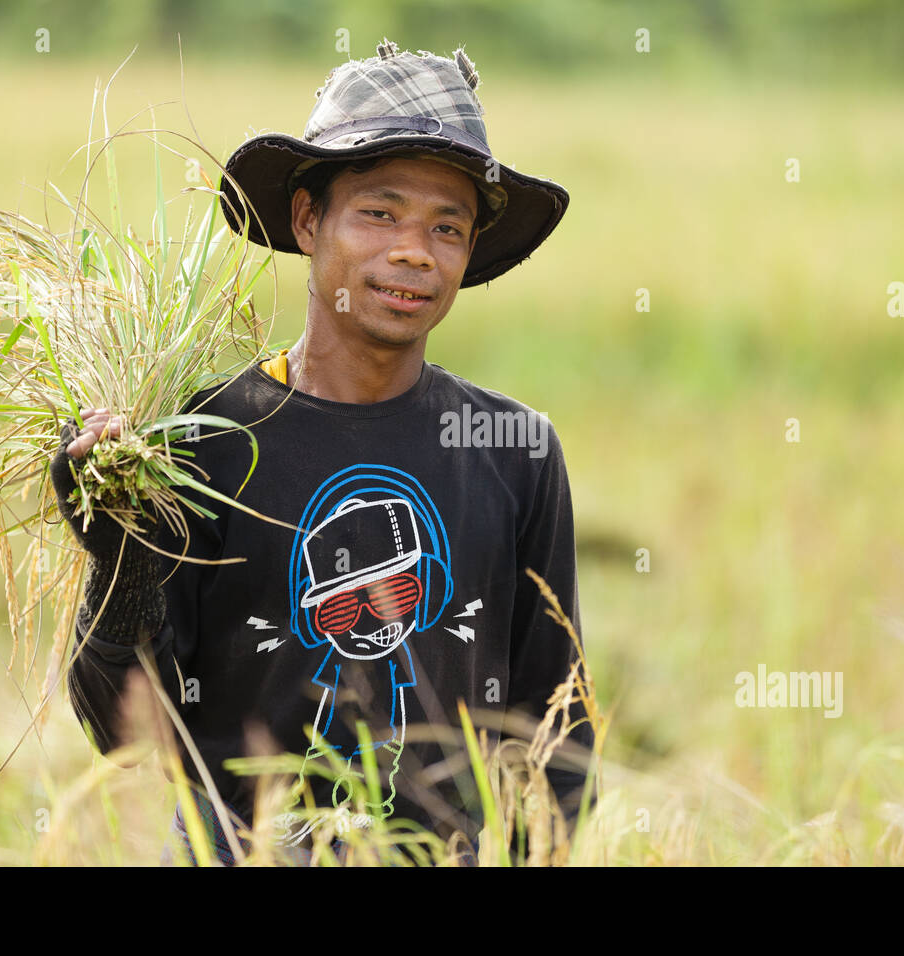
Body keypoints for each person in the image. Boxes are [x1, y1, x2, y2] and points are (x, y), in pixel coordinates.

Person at [50, 38, 593, 866]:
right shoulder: (201, 445)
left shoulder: (513, 452)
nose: (414, 251)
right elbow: (122, 731)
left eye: (447, 227)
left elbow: (556, 734)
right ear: (308, 218)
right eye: (380, 213)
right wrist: (118, 559)